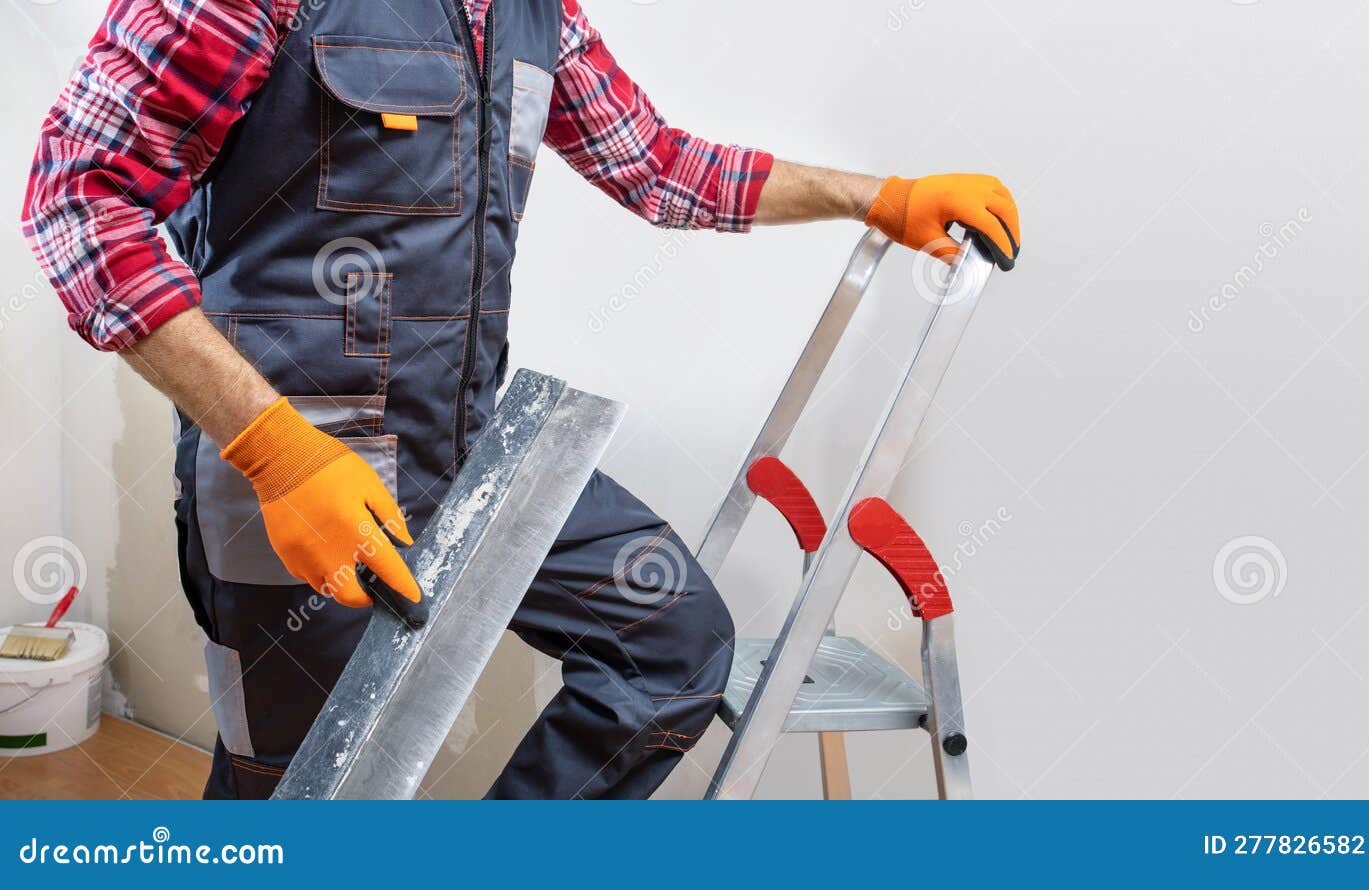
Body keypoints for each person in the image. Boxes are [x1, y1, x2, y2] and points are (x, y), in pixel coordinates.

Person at [20, 0, 1021, 799]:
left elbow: (661, 166)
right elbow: (76, 198)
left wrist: (877, 195)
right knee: (296, 796)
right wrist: (273, 450)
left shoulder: (537, 14)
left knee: (669, 647)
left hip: (469, 452)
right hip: (300, 478)